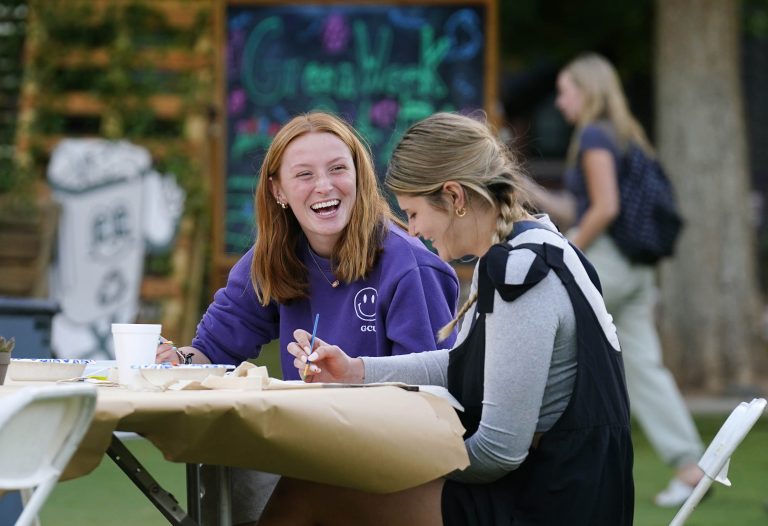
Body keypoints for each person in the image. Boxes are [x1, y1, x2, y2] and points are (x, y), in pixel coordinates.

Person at [260, 112, 634, 526]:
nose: (413, 232)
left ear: (455, 198)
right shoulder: (528, 246)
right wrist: (354, 370)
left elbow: (497, 452)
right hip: (560, 491)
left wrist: (384, 460)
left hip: (554, 504)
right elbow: (462, 364)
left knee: (311, 489)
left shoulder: (519, 272)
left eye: (414, 213)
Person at [156, 111, 460, 524]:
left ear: (360, 177)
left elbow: (432, 395)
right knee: (228, 465)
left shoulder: (410, 266)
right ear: (278, 190)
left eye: (338, 169)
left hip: (394, 467)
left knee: (291, 481)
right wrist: (177, 362)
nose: (324, 186)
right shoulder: (270, 259)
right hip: (311, 449)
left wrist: (353, 377)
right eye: (304, 175)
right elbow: (213, 350)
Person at [530, 52, 705, 507]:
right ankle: (692, 468)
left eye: (566, 90)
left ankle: (531, 453)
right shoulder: (625, 134)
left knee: (541, 337)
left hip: (607, 260)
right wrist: (527, 189)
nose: (560, 99)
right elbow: (584, 209)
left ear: (587, 91)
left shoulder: (592, 134)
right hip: (636, 265)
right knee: (645, 367)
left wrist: (564, 252)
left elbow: (604, 209)